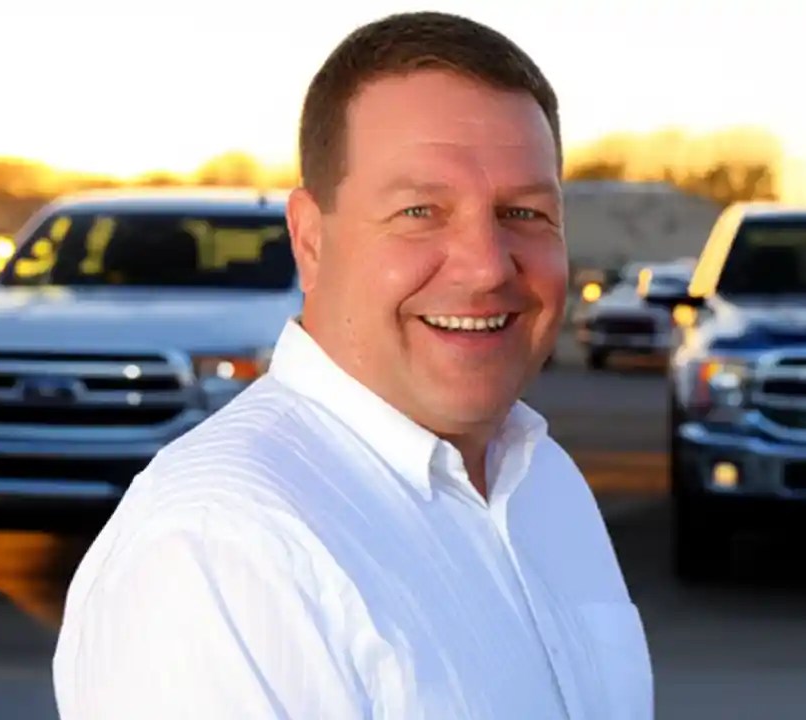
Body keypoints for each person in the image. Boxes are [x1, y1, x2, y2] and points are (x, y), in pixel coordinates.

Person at [53, 11, 653, 719]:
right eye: (420, 210)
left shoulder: (542, 479)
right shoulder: (222, 550)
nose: (488, 266)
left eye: (524, 214)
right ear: (309, 240)